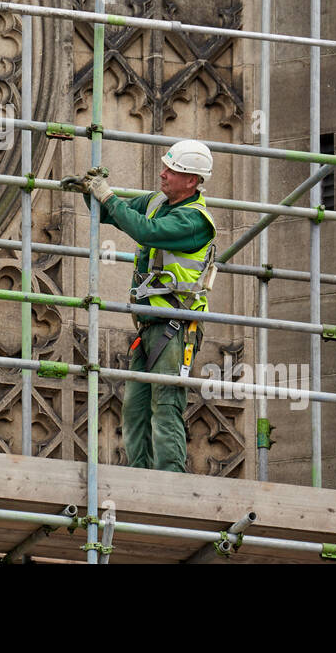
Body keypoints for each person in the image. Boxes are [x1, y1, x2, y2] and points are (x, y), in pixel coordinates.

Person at [66, 140, 217, 473]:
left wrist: (106, 194)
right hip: (149, 326)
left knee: (166, 405)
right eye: (165, 167)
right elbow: (110, 212)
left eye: (172, 171)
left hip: (176, 327)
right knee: (134, 408)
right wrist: (89, 192)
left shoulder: (195, 222)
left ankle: (169, 482)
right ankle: (140, 474)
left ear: (192, 180)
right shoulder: (155, 202)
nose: (163, 173)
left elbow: (146, 232)